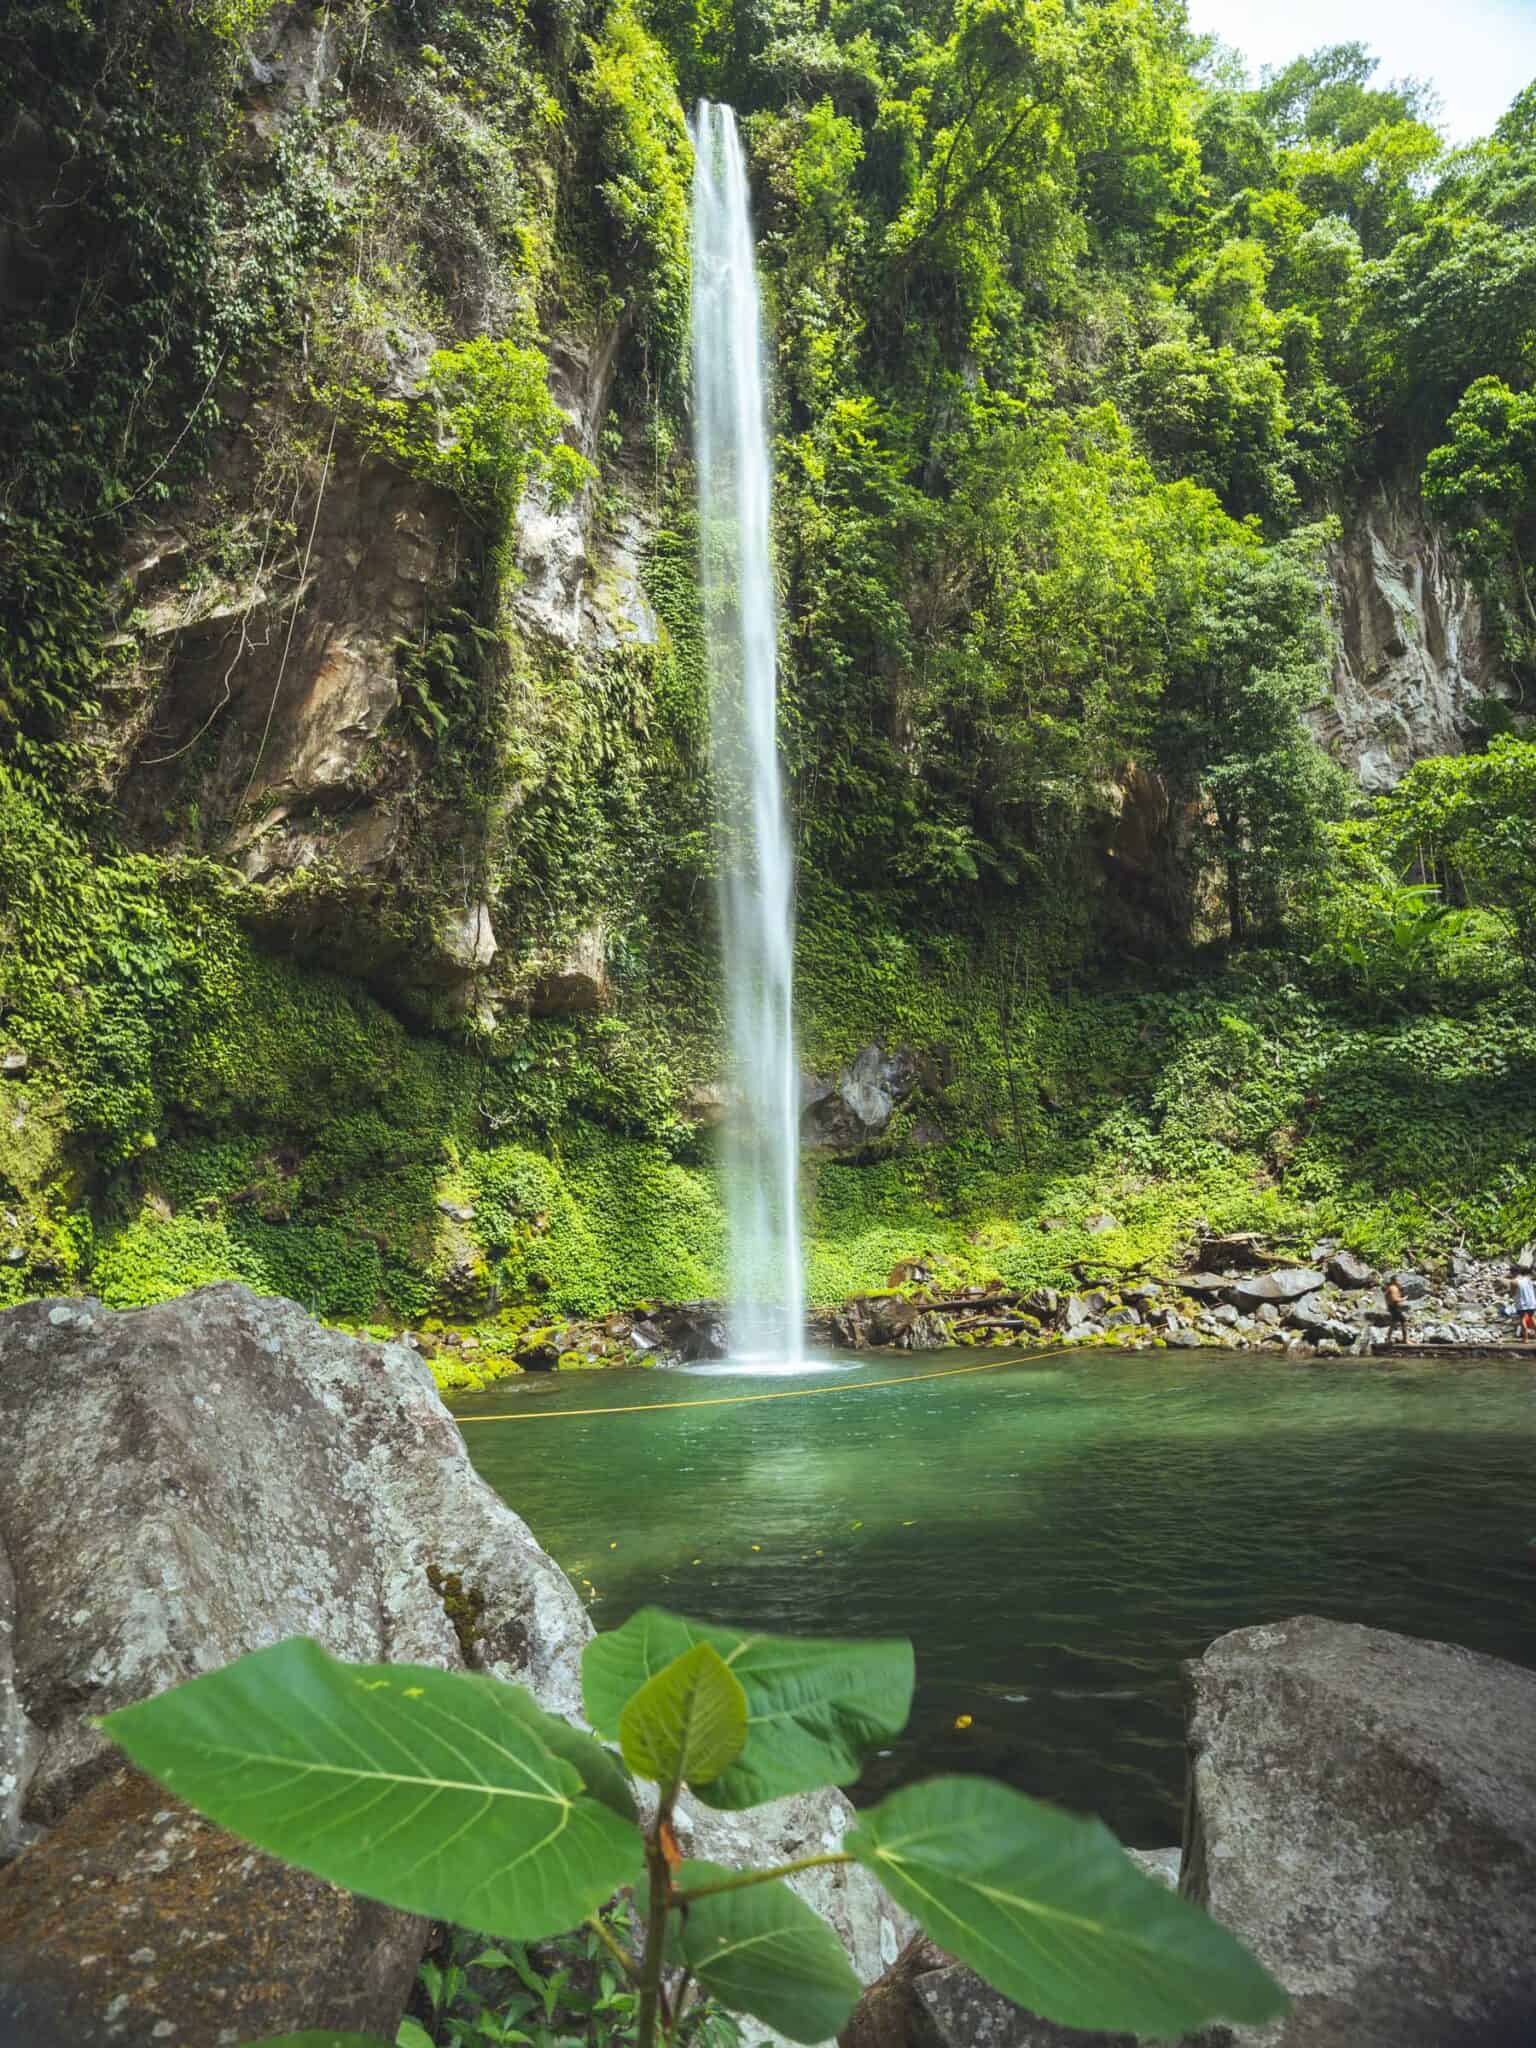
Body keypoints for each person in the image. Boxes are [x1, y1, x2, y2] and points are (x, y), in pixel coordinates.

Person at [1383, 1273, 1409, 1345]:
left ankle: (1388, 1338)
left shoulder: (1391, 1287)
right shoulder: (1393, 1288)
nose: (1400, 1281)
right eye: (1398, 1280)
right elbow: (1394, 1299)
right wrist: (1404, 1299)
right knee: (1403, 1321)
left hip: (1393, 1307)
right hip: (1394, 1308)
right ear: (1395, 1281)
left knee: (1393, 1323)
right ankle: (1405, 1340)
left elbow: (1388, 1298)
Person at [1514, 1268, 1536, 1342]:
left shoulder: (1515, 1281)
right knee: (1532, 1318)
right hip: (1531, 1302)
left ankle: (1525, 1339)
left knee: (1522, 1319)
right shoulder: (1529, 1279)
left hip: (1521, 1303)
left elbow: (1512, 1293)